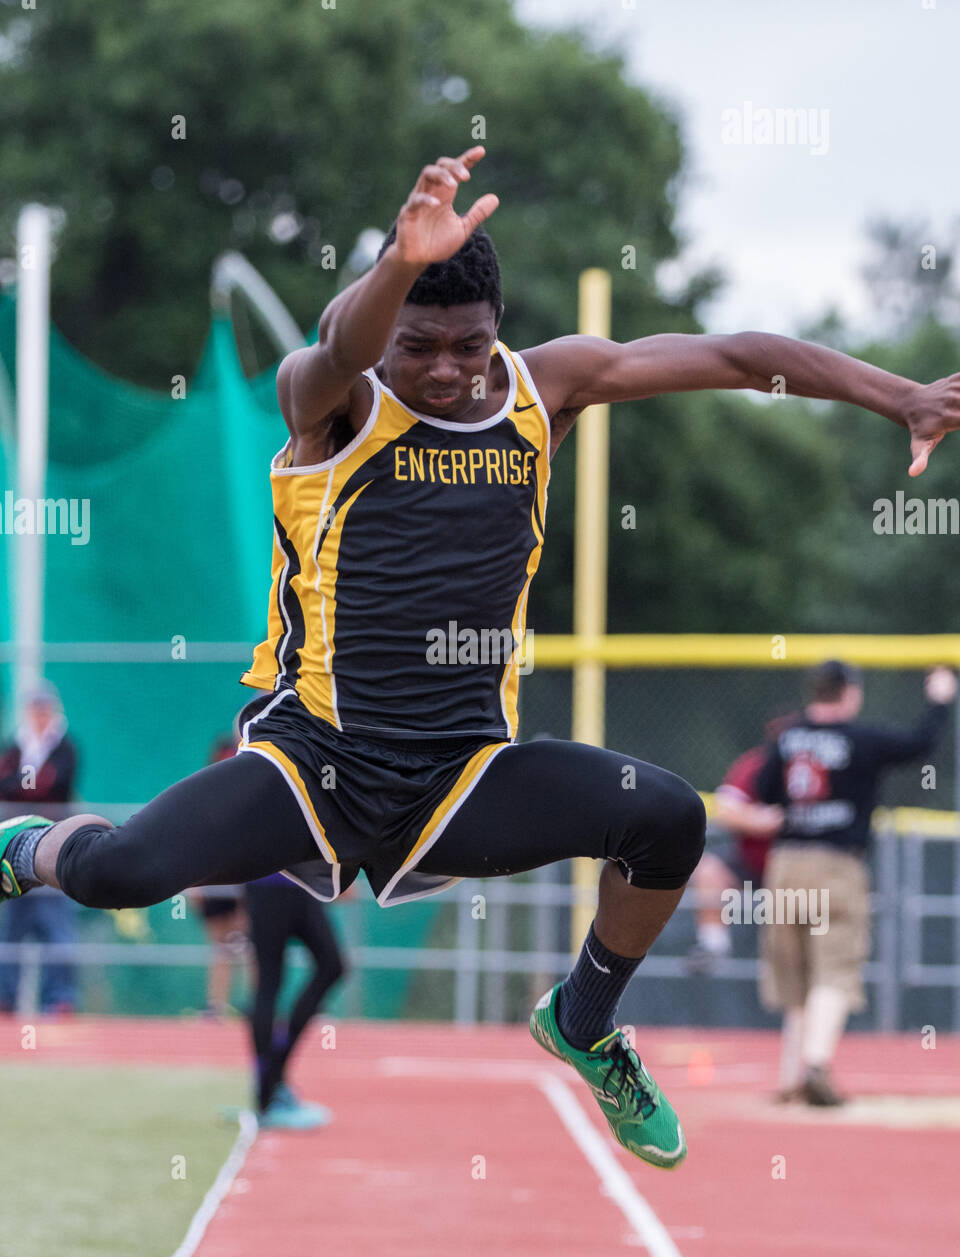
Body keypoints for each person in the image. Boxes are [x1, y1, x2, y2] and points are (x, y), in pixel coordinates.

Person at [4, 147, 960, 1170]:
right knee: (120, 872)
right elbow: (342, 341)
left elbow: (730, 355)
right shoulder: (333, 401)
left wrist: (896, 393)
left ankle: (584, 1022)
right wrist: (396, 272)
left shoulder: (547, 390)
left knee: (669, 816)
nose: (449, 369)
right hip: (316, 759)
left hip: (463, 772)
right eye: (421, 345)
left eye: (469, 344)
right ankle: (19, 848)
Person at [755, 660, 957, 1106]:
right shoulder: (861, 738)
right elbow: (920, 744)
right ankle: (815, 1065)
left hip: (786, 862)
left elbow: (766, 794)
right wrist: (940, 699)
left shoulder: (788, 736)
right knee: (835, 968)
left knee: (795, 973)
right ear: (849, 692)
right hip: (835, 865)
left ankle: (790, 1074)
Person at [688, 717, 794, 970]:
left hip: (795, 867)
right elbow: (726, 810)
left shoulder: (818, 767)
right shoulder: (756, 763)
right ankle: (713, 946)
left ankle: (796, 957)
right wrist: (766, 820)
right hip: (751, 863)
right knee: (709, 870)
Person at [242, 873, 346, 1129]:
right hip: (285, 880)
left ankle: (271, 1083)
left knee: (326, 968)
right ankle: (269, 1091)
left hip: (277, 882)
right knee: (273, 980)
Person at [0, 683, 79, 1014]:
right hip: (15, 848)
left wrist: (22, 785)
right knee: (11, 931)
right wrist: (29, 784)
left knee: (56, 928)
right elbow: (7, 784)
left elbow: (57, 782)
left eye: (45, 708)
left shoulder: (66, 746)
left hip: (51, 843)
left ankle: (59, 999)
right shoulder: (14, 746)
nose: (40, 714)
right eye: (35, 707)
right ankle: (5, 1000)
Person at [186, 734, 252, 1019]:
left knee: (247, 943)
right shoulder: (210, 795)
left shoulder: (257, 773)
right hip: (215, 877)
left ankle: (256, 1003)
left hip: (246, 877)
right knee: (221, 945)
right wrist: (193, 885)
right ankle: (217, 1006)